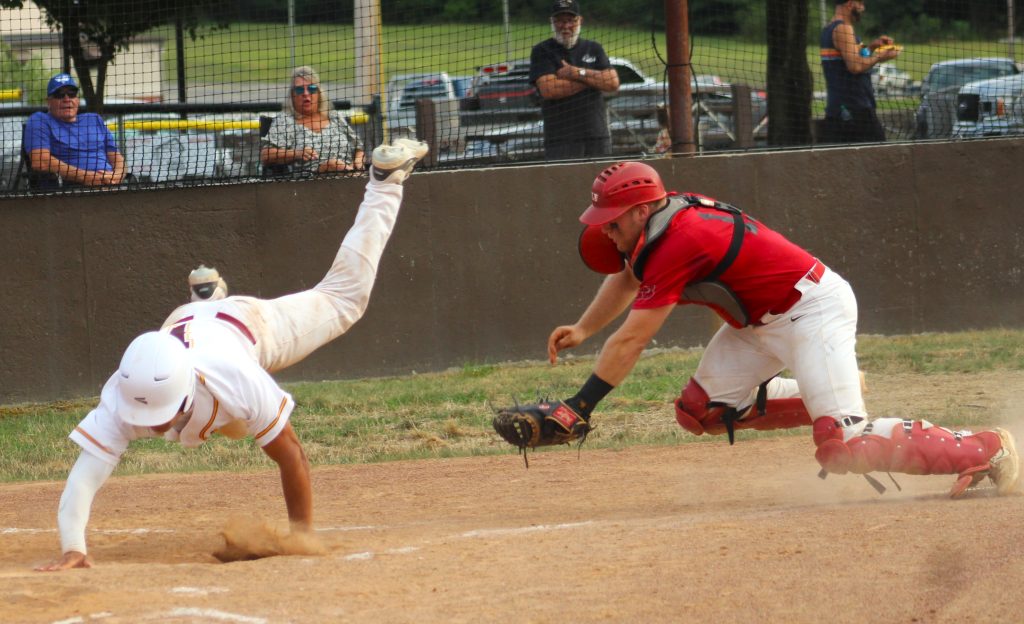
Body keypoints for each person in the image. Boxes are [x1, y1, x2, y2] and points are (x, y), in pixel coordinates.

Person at [35, 137, 428, 571]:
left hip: (249, 327)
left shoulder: (235, 376)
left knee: (344, 300)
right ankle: (205, 296)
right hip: (183, 324)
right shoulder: (129, 387)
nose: (152, 424)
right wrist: (74, 548)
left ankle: (384, 182)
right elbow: (84, 478)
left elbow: (291, 453)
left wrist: (301, 535)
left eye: (159, 416)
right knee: (230, 420)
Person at [531, 161, 1019, 497]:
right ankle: (822, 391)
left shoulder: (682, 238)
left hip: (813, 312)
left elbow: (633, 339)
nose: (604, 231)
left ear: (641, 210)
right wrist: (582, 328)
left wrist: (580, 406)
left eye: (610, 222)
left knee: (843, 446)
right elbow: (627, 275)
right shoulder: (655, 222)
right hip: (758, 324)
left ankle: (986, 447)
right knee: (703, 411)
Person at [529, 0, 620, 161]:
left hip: (597, 135)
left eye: (571, 20)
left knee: (602, 182)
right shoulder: (542, 51)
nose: (565, 26)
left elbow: (612, 83)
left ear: (580, 21)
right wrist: (592, 80)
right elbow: (550, 89)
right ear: (552, 22)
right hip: (560, 139)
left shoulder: (594, 48)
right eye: (560, 21)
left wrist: (576, 72)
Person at [24, 73, 126, 188]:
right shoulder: (40, 120)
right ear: (49, 101)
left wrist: (116, 176)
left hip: (110, 186)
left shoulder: (94, 119)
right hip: (70, 191)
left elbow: (117, 158)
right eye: (60, 95)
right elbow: (40, 161)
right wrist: (86, 177)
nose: (67, 99)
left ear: (77, 100)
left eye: (72, 94)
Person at [819, 0, 901, 144]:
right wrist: (880, 56)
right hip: (854, 112)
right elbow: (855, 66)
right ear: (850, 4)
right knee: (879, 158)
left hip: (842, 111)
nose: (863, 8)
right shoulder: (843, 29)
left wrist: (872, 48)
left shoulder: (829, 28)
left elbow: (851, 59)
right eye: (860, 3)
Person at [260, 66, 365, 176]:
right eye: (299, 89)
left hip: (348, 174)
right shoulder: (286, 121)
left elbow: (358, 147)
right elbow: (266, 155)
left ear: (319, 93)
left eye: (312, 89)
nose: (306, 93)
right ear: (292, 95)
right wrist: (296, 154)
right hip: (311, 181)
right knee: (333, 164)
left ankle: (354, 176)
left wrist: (358, 160)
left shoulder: (334, 117)